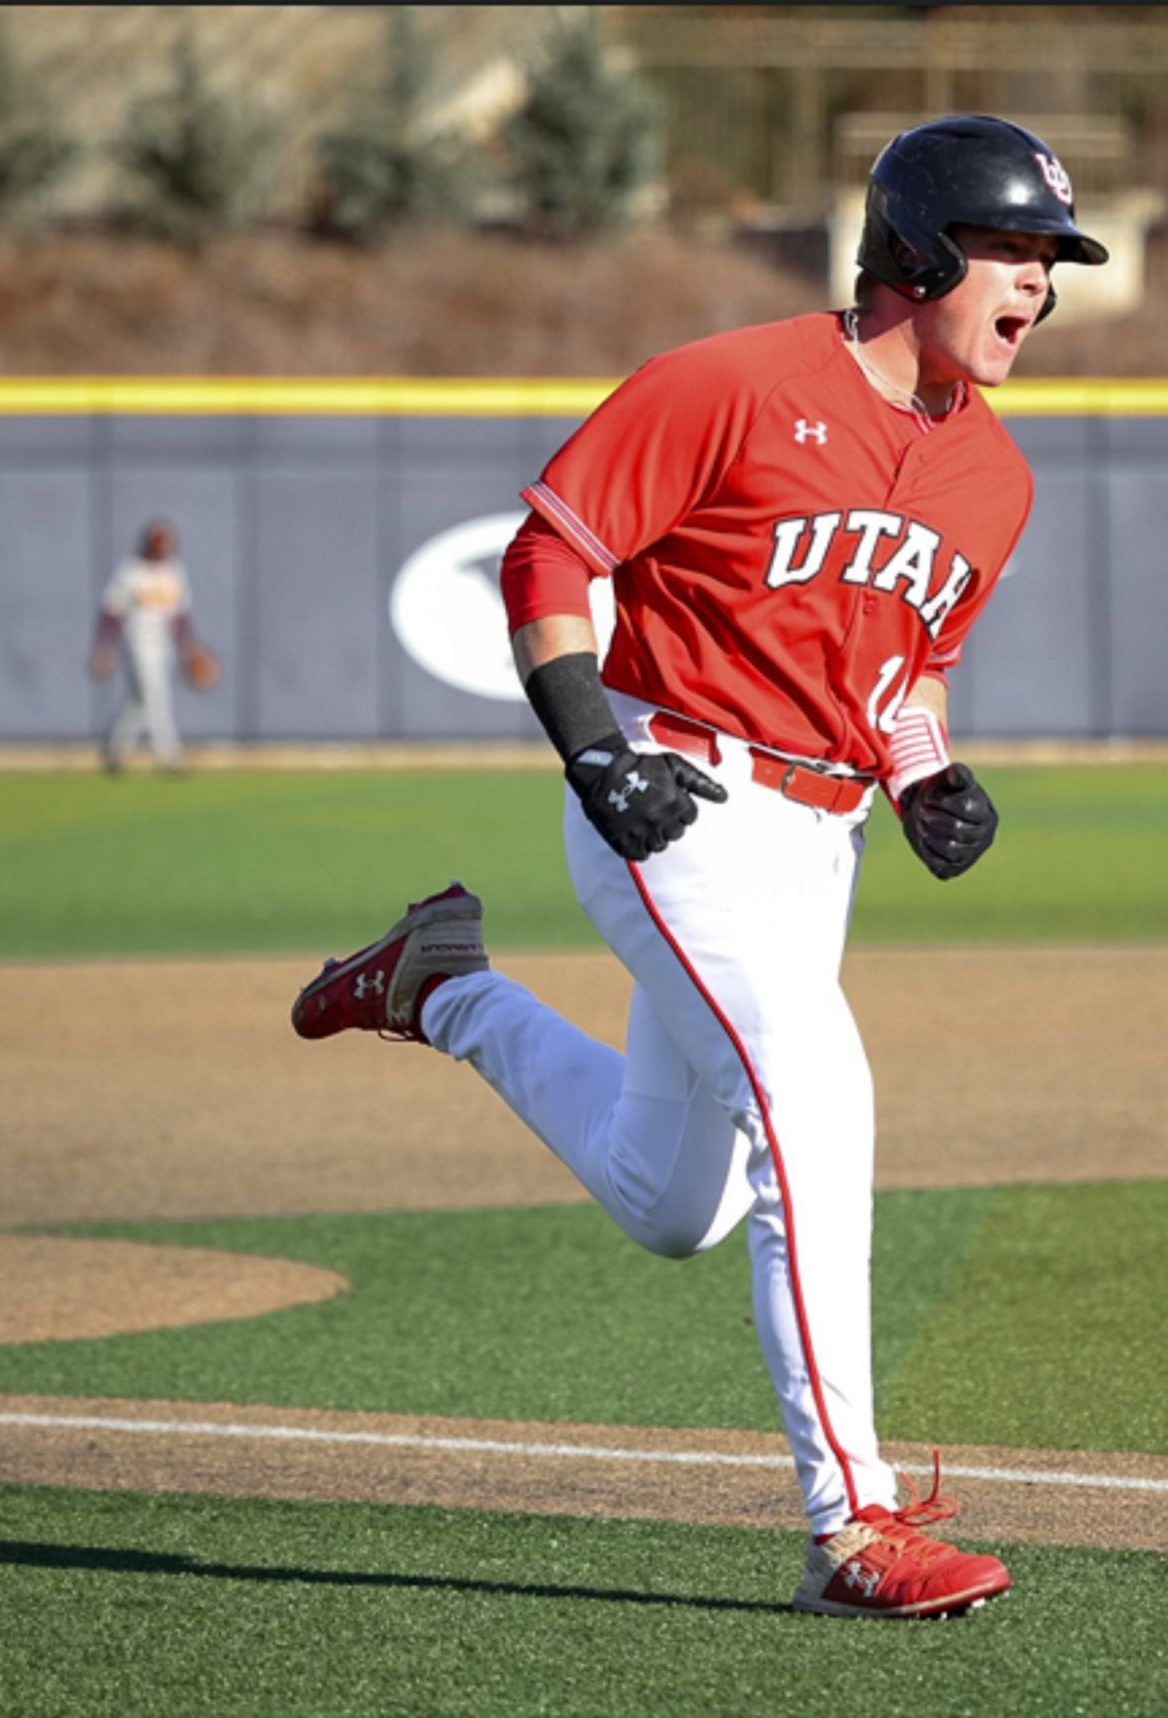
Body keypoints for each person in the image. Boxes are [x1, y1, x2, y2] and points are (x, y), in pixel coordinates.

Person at [291, 117, 1106, 1620]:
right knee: (817, 1096)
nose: (1038, 287)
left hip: (821, 838)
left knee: (675, 1201)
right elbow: (550, 558)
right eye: (1013, 252)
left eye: (1050, 262)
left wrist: (930, 775)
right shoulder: (730, 384)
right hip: (679, 795)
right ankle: (854, 1525)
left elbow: (905, 668)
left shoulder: (994, 478)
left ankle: (442, 989)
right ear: (916, 253)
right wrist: (595, 749)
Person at [90, 520, 211, 775]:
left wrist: (190, 647)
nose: (162, 547)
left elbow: (179, 615)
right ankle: (168, 757)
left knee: (139, 700)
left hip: (164, 643)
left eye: (166, 542)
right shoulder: (131, 571)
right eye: (158, 542)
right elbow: (112, 612)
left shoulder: (174, 570)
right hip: (137, 642)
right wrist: (104, 649)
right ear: (147, 542)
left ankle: (116, 751)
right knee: (157, 697)